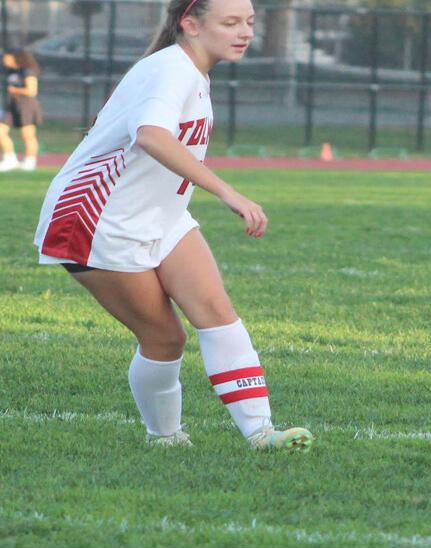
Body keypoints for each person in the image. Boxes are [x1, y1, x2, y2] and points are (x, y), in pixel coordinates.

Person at [31, 0, 313, 451]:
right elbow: (152, 135)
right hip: (96, 221)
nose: (244, 32)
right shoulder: (171, 70)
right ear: (190, 23)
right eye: (230, 22)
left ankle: (263, 434)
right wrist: (228, 192)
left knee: (217, 313)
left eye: (250, 22)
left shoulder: (192, 70)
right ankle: (165, 438)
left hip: (160, 216)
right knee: (164, 337)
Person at [0, 48, 43, 172]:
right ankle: (10, 159)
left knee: (27, 135)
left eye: (8, 57)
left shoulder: (28, 71)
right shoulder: (11, 71)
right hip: (12, 104)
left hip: (26, 105)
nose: (5, 60)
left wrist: (15, 90)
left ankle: (30, 161)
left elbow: (32, 91)